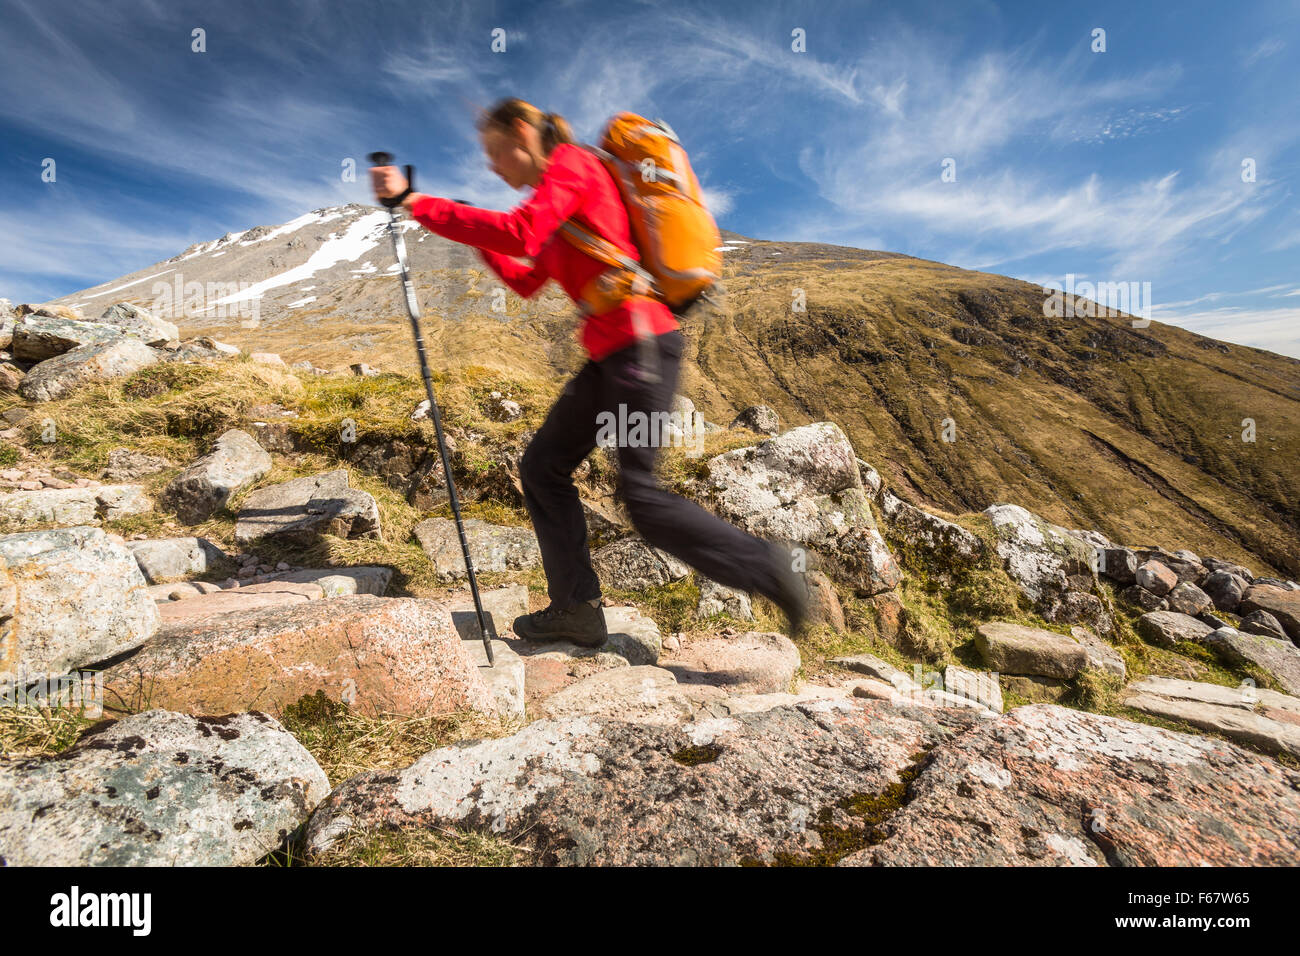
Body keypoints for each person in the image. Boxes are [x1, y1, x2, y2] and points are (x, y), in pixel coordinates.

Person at [370, 97, 806, 646]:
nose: (490, 166)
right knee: (543, 467)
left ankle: (771, 569)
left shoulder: (574, 166)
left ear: (523, 132)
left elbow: (521, 234)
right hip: (609, 359)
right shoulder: (557, 207)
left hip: (641, 352)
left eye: (493, 151)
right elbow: (527, 278)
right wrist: (470, 233)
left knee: (642, 497)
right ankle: (576, 607)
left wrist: (418, 203)